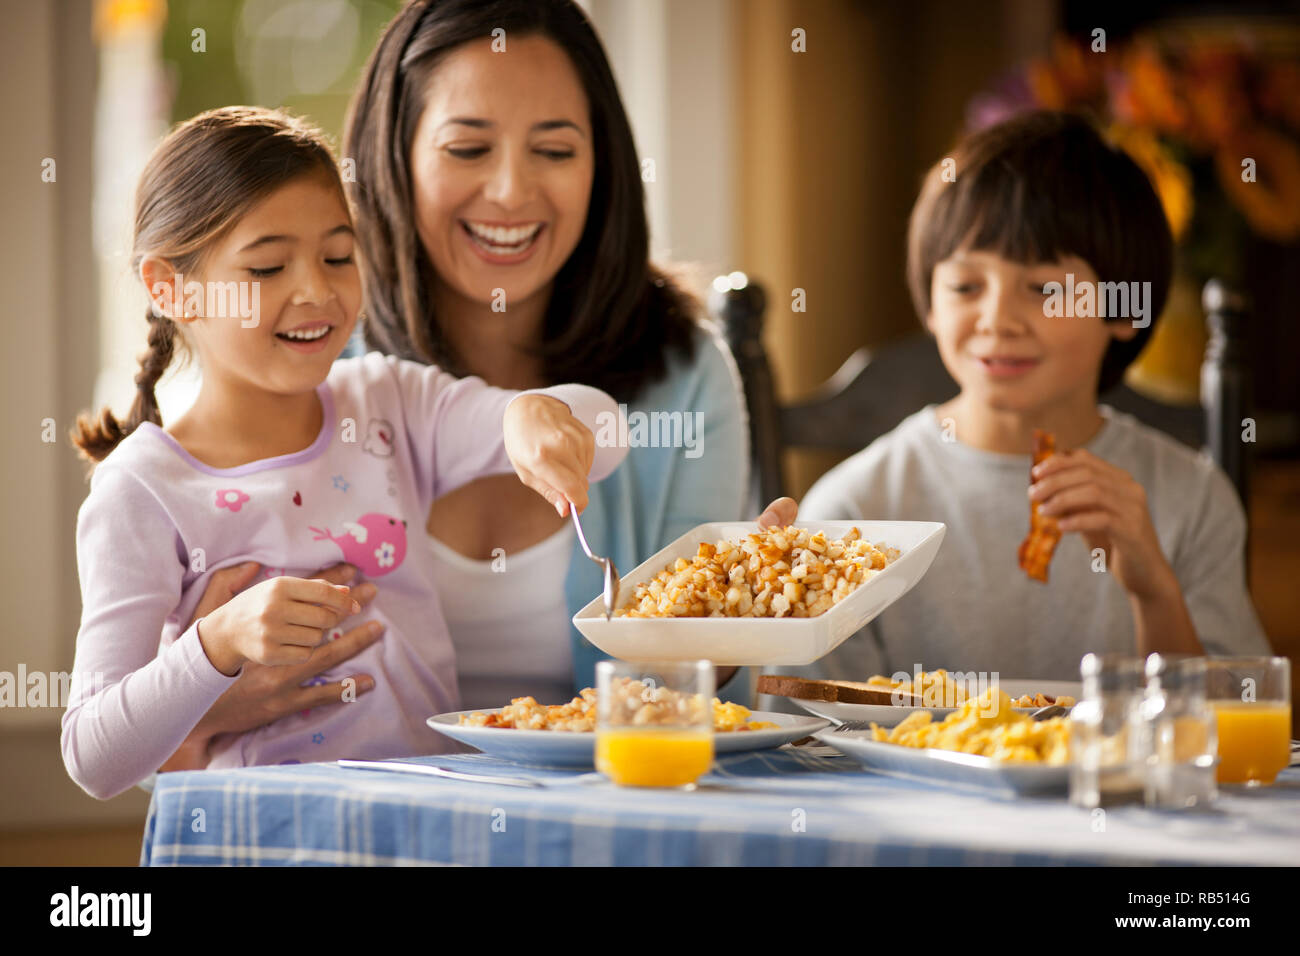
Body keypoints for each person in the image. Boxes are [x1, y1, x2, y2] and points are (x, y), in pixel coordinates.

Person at [162, 0, 796, 768]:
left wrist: (727, 627)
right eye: (468, 148)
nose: (509, 192)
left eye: (555, 151)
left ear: (604, 166)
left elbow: (700, 715)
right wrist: (209, 704)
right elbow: (145, 742)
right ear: (393, 156)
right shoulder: (300, 353)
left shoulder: (682, 373)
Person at [63, 106, 625, 800]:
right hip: (267, 844)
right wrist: (218, 642)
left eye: (337, 256)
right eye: (268, 267)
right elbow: (93, 757)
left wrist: (532, 415)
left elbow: (601, 434)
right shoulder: (142, 491)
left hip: (432, 823)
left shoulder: (387, 403)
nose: (318, 291)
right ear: (169, 288)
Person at [783, 110, 1271, 692]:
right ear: (931, 304)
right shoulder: (854, 511)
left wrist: (1152, 589)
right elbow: (808, 738)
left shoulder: (1191, 499)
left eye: (1043, 289)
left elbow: (1234, 738)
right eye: (966, 287)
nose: (997, 320)